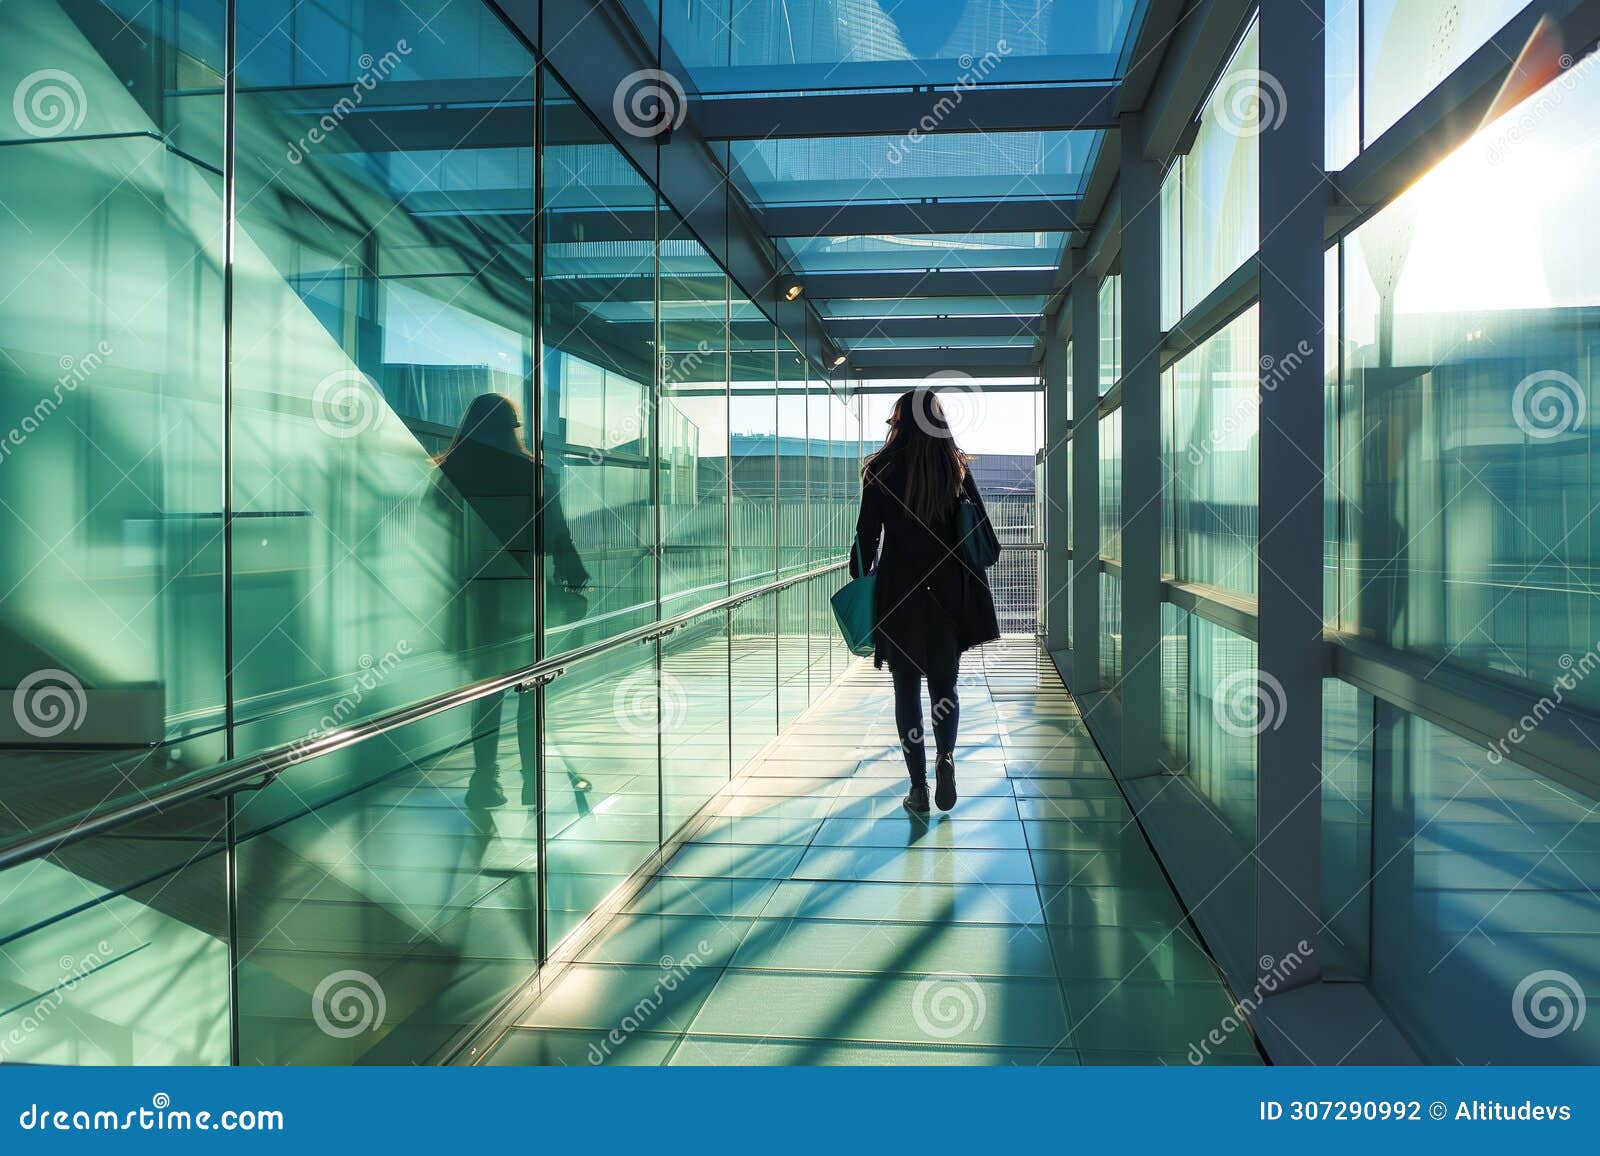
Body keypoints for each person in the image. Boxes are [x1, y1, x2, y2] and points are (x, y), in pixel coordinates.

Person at [435, 393, 590, 810]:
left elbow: (436, 537)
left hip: (475, 601)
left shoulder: (449, 473)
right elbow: (555, 533)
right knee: (529, 691)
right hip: (523, 598)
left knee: (486, 695)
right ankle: (531, 782)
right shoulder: (533, 474)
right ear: (510, 429)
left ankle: (484, 780)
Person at [849, 389, 1000, 814]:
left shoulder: (880, 470)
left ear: (898, 421)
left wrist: (863, 582)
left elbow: (864, 542)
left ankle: (917, 788)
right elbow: (982, 529)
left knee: (906, 692)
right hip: (949, 594)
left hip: (900, 597)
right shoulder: (953, 467)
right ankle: (946, 758)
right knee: (944, 687)